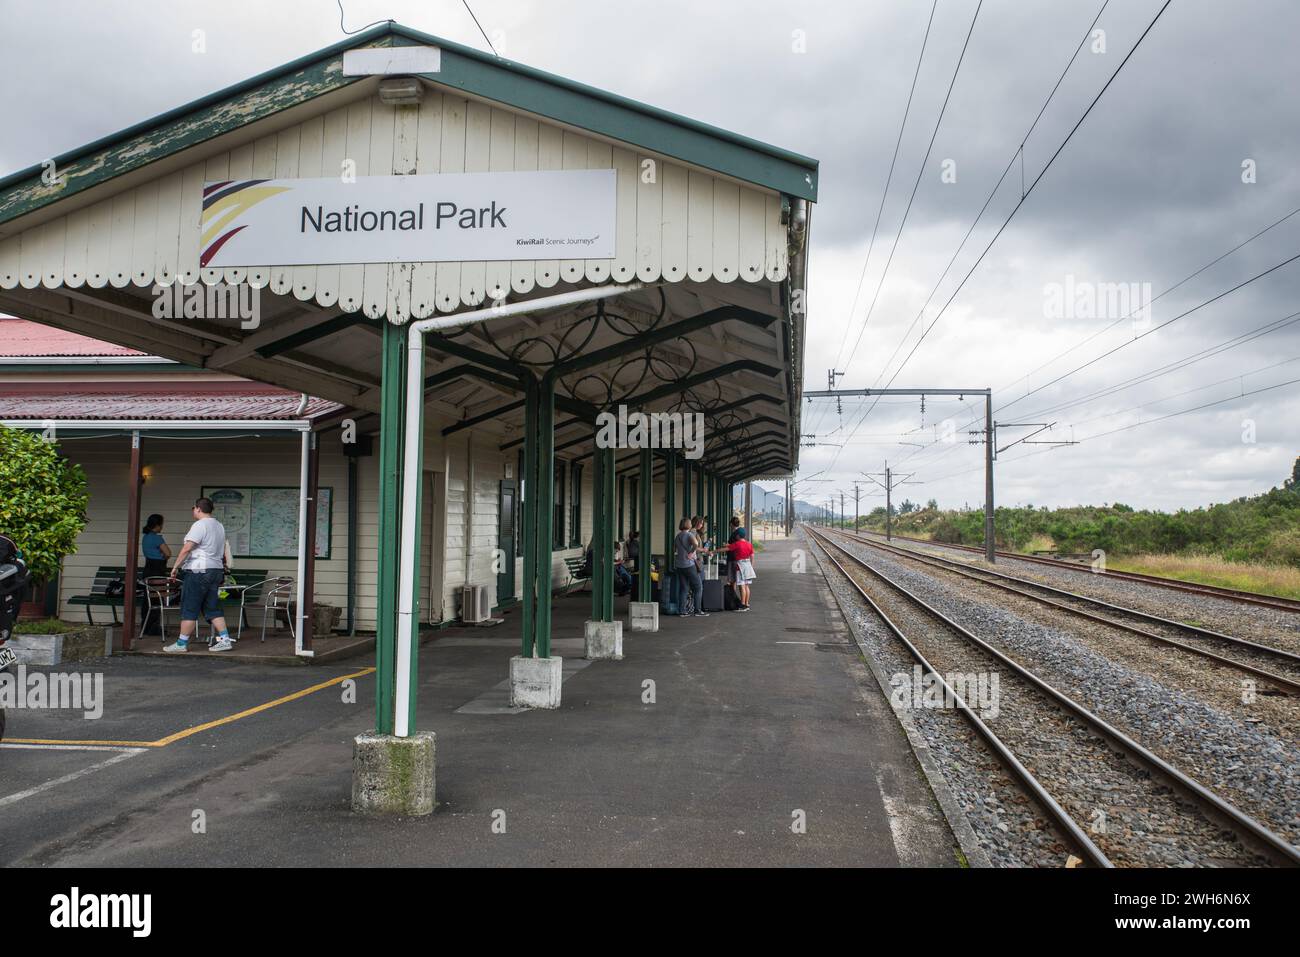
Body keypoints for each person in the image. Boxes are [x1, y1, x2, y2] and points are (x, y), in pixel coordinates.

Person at [164, 498, 236, 653]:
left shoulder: (200, 525)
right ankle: (224, 640)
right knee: (212, 607)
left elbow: (187, 548)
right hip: (216, 570)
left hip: (198, 570)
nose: (193, 511)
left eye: (193, 508)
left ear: (198, 509)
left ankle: (181, 644)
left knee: (190, 606)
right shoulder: (219, 526)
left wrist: (175, 567)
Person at [139, 514, 171, 637]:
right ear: (157, 525)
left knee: (147, 600)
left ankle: (145, 627)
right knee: (157, 599)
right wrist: (163, 557)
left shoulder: (145, 537)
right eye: (161, 524)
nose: (162, 527)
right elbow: (168, 553)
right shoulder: (157, 538)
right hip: (158, 570)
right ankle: (154, 628)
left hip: (148, 570)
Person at [673, 517, 708, 618]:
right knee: (698, 587)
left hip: (679, 565)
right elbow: (696, 544)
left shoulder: (678, 536)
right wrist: (691, 553)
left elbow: (674, 549)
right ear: (689, 525)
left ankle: (682, 611)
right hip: (689, 564)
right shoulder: (689, 534)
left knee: (684, 588)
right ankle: (698, 610)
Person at [727, 528, 756, 611]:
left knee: (742, 586)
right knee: (747, 586)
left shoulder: (737, 544)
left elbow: (727, 549)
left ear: (738, 536)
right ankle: (746, 604)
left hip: (740, 566)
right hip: (748, 565)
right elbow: (752, 556)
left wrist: (714, 551)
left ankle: (742, 605)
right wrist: (752, 566)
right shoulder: (749, 544)